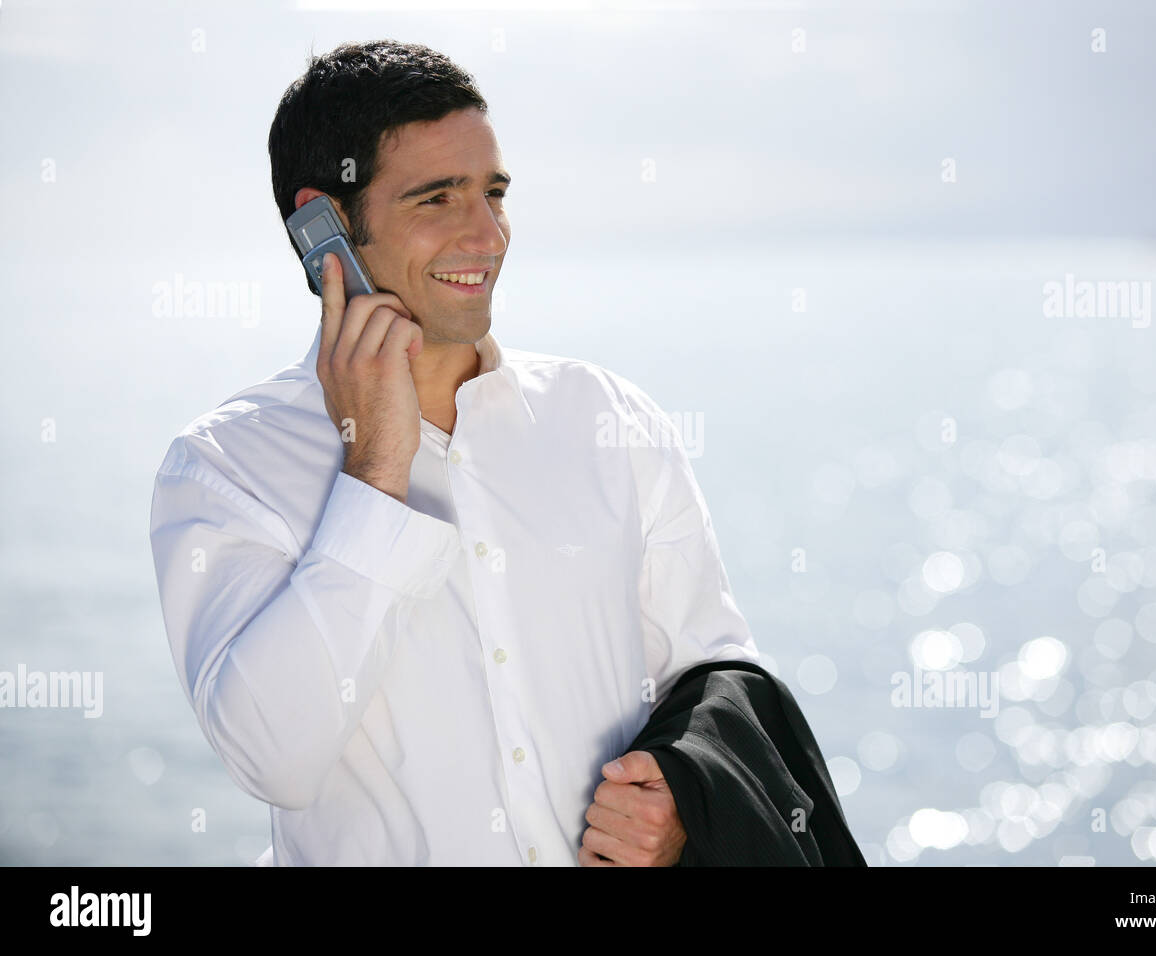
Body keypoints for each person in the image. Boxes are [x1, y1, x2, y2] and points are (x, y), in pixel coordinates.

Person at [148, 39, 761, 866]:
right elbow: (273, 761)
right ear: (323, 228)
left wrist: (684, 798)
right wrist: (375, 473)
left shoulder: (610, 419)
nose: (488, 235)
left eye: (494, 193)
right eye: (437, 199)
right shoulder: (225, 469)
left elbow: (713, 669)